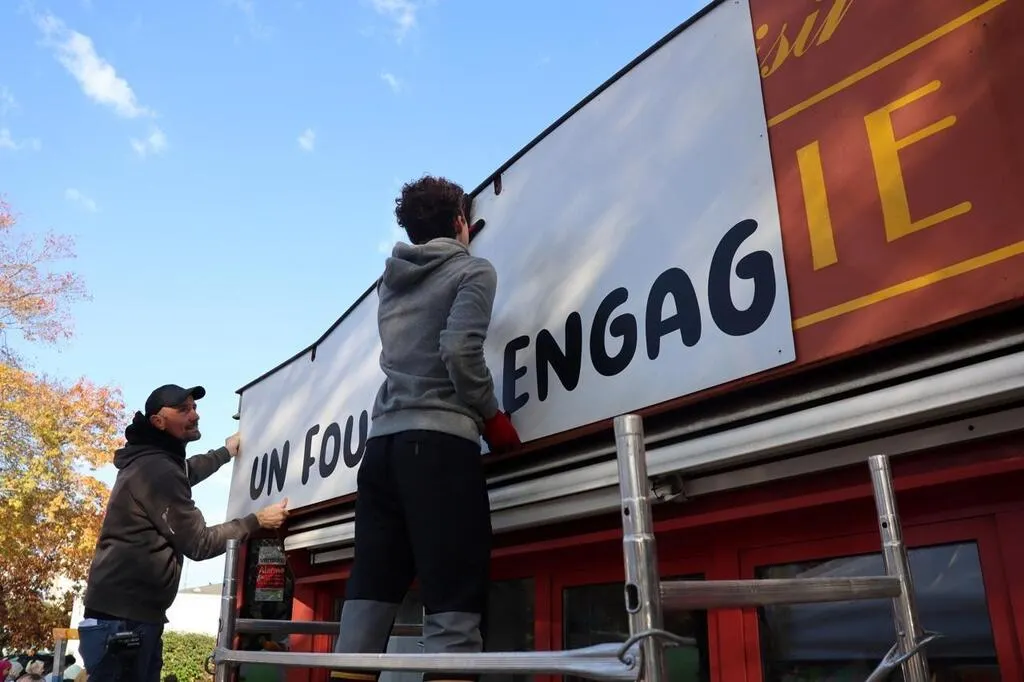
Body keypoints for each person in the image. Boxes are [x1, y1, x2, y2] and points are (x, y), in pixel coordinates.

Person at [332, 175, 521, 682]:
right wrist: (492, 416)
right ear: (462, 221)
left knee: (370, 591)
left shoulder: (390, 283)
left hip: (382, 450)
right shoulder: (473, 271)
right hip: (439, 447)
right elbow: (459, 350)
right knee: (453, 597)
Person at [77, 384, 290, 682]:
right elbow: (200, 543)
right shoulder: (157, 470)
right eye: (183, 409)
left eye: (194, 406)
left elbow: (186, 472)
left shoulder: (151, 462)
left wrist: (225, 452)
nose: (194, 414)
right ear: (158, 422)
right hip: (126, 623)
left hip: (124, 618)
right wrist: (257, 520)